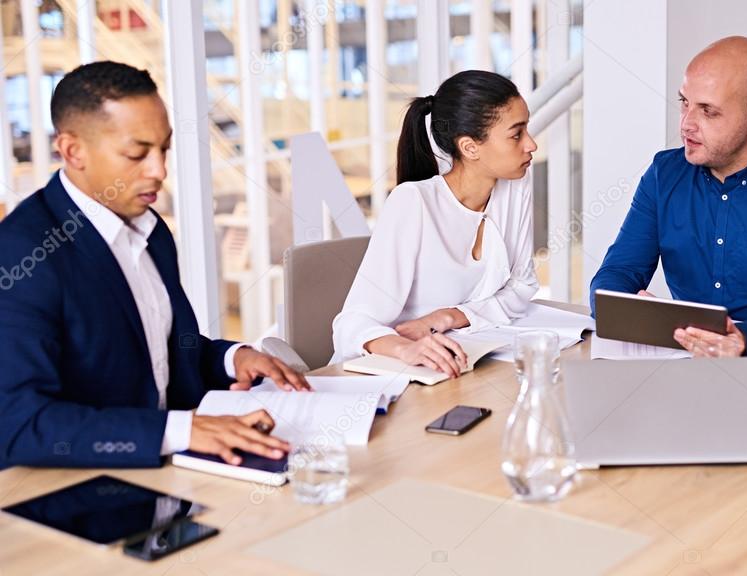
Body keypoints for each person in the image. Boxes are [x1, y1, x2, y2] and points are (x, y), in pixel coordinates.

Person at [0, 61, 310, 469]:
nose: (159, 170)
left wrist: (231, 358)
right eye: (137, 153)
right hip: (85, 487)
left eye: (164, 149)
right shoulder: (21, 253)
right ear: (73, 151)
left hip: (174, 477)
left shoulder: (151, 230)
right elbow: (20, 425)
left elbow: (157, 351)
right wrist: (182, 430)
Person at [590, 36, 747, 356]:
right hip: (685, 358)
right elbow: (615, 275)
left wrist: (739, 339)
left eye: (708, 111)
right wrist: (628, 309)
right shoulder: (664, 174)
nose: (686, 124)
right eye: (684, 102)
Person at [330, 70, 539, 377]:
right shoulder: (412, 202)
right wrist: (405, 349)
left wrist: (447, 317)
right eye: (516, 134)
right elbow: (350, 325)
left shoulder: (515, 185)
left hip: (457, 363)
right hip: (388, 373)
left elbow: (522, 286)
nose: (531, 144)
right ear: (470, 147)